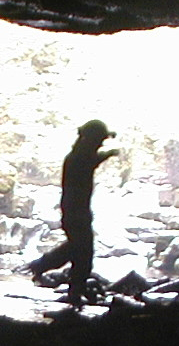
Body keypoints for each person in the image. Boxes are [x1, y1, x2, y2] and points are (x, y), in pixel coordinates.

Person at [25, 119, 120, 304]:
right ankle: (73, 291)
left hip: (75, 212)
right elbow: (91, 161)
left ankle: (47, 271)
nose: (101, 144)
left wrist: (106, 155)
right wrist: (108, 154)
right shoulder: (79, 158)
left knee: (75, 249)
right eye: (100, 140)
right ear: (91, 140)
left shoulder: (76, 156)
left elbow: (92, 160)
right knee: (84, 253)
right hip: (76, 213)